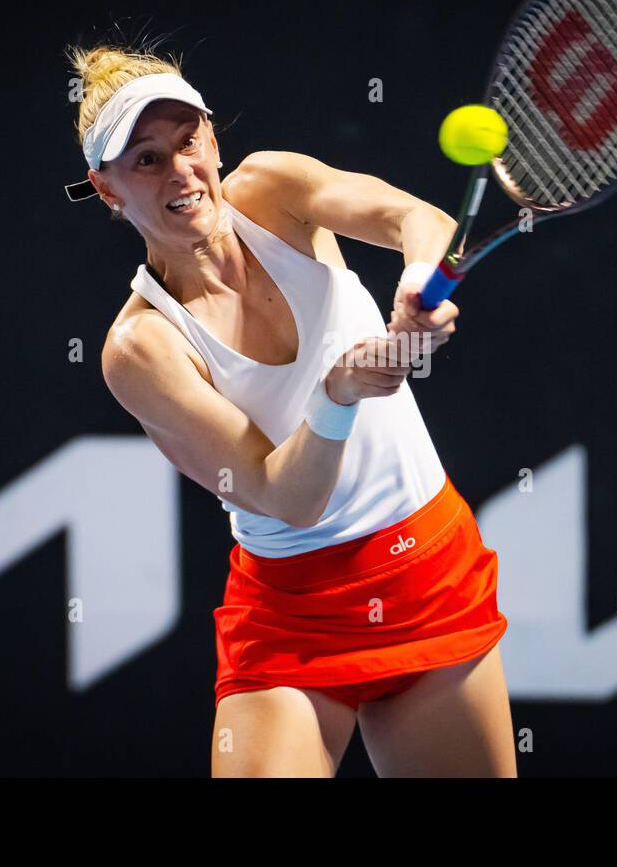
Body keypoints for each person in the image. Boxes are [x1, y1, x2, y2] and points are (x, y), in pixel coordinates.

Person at [64, 44, 515, 777]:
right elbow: (286, 496)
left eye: (188, 141)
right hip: (294, 619)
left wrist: (419, 276)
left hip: (430, 572)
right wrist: (337, 395)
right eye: (146, 159)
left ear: (212, 138)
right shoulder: (140, 348)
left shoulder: (272, 186)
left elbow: (412, 216)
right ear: (106, 188)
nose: (180, 171)